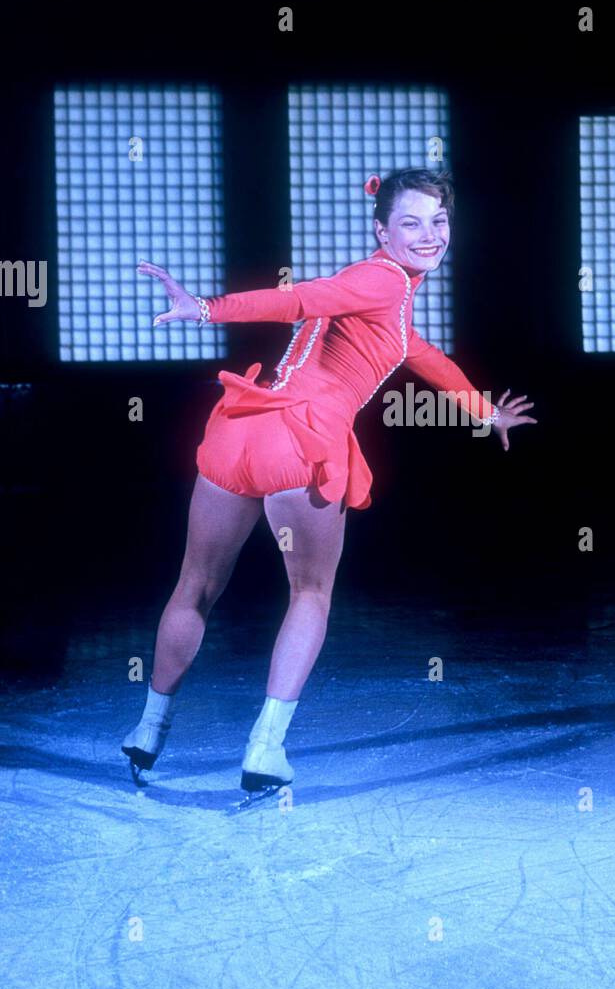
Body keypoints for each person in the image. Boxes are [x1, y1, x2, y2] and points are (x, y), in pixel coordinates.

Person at [122, 168, 536, 803]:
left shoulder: (391, 304)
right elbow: (298, 299)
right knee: (310, 593)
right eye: (411, 223)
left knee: (195, 587)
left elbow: (424, 358)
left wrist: (485, 411)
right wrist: (206, 309)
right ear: (383, 231)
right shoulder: (379, 278)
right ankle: (266, 746)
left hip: (244, 427)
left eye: (439, 222)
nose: (429, 236)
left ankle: (149, 730)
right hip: (303, 442)